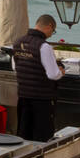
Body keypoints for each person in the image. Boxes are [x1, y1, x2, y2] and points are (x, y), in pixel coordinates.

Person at [11, 14, 64, 142]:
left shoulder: (18, 42)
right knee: (42, 136)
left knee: (24, 133)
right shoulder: (44, 47)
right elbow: (53, 74)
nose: (51, 34)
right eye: (53, 31)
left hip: (23, 97)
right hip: (42, 99)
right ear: (49, 26)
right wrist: (61, 71)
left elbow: (14, 67)